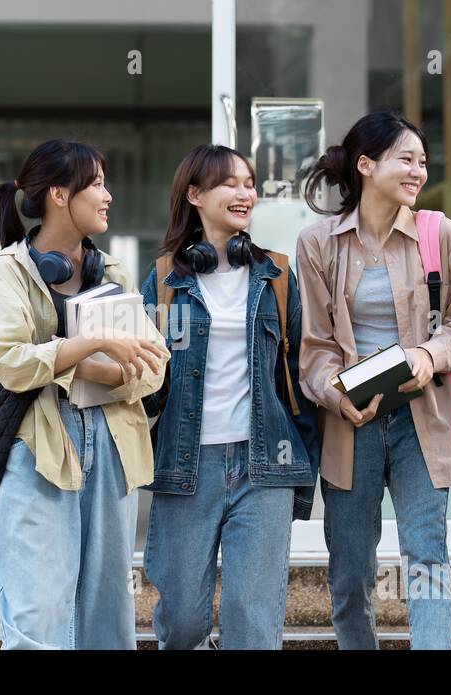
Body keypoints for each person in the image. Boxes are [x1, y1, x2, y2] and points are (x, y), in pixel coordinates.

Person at [296, 110, 451, 649]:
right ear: (366, 165)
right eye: (406, 159)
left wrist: (432, 352)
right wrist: (338, 396)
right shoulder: (318, 244)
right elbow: (312, 348)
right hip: (351, 422)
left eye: (422, 162)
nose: (418, 172)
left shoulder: (440, 234)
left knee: (427, 556)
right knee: (350, 571)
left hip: (421, 418)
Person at [0, 139, 170, 649]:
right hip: (38, 446)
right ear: (60, 195)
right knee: (36, 616)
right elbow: (7, 362)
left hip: (112, 445)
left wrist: (97, 370)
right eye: (97, 184)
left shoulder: (111, 273)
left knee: (107, 617)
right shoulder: (9, 271)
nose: (108, 195)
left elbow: (154, 369)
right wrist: (93, 344)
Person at [139, 145, 321, 650]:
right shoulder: (165, 283)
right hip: (184, 465)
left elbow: (300, 373)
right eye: (229, 183)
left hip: (263, 465)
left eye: (249, 182)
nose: (245, 193)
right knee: (182, 622)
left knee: (251, 622)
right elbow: (145, 380)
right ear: (195, 195)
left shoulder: (278, 278)